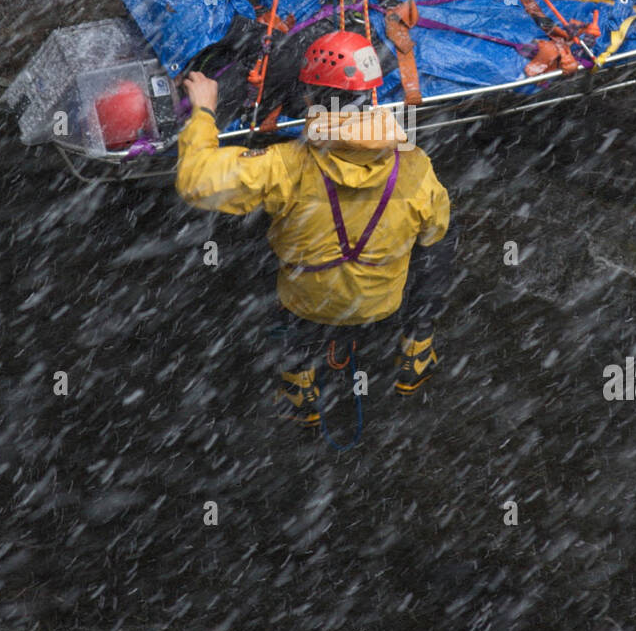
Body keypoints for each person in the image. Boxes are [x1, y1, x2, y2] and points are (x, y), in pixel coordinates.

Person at [176, 29, 454, 428]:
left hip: (310, 302)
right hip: (381, 301)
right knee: (440, 229)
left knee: (255, 228)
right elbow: (434, 234)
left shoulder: (284, 164)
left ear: (307, 97)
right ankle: (418, 340)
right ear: (372, 95)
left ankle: (298, 377)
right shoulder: (415, 165)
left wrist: (204, 111)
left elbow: (195, 181)